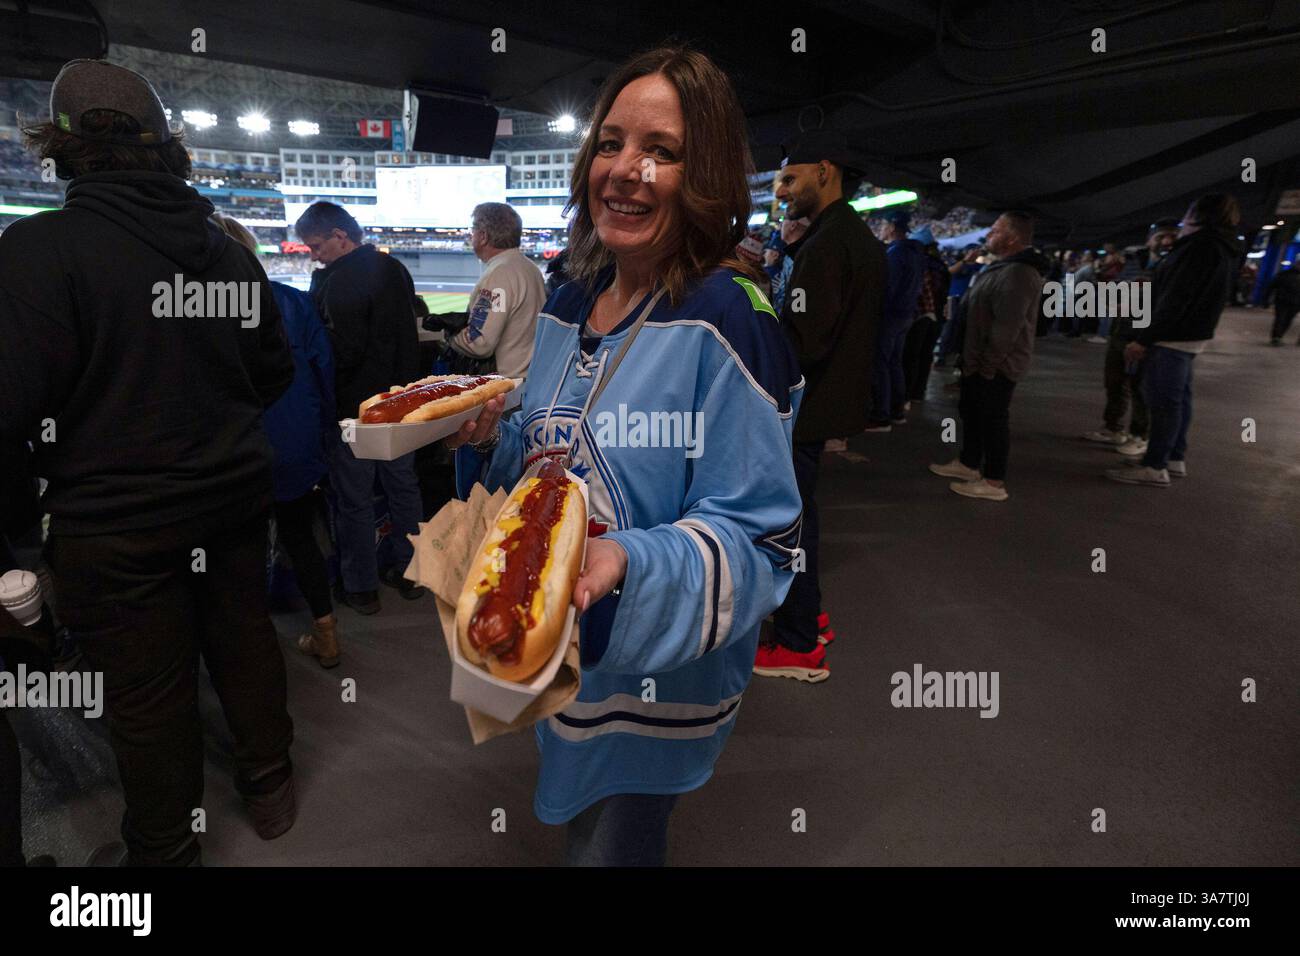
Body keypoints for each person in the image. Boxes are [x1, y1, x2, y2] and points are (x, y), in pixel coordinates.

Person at [446, 46, 803, 865]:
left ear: (705, 172)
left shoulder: (729, 316)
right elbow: (550, 448)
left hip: (652, 670)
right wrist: (490, 436)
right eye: (610, 144)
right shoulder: (570, 297)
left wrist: (625, 561)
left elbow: (761, 540)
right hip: (569, 647)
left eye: (662, 152)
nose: (625, 170)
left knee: (609, 849)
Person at [0, 59, 297, 865]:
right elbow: (273, 372)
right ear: (166, 147)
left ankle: (164, 852)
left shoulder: (37, 251)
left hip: (115, 529)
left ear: (62, 150)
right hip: (234, 501)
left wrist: (19, 544)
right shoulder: (230, 256)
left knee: (146, 694)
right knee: (244, 642)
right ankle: (270, 786)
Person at [756, 130, 883, 678]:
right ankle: (808, 614)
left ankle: (799, 644)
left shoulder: (830, 242)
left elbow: (804, 340)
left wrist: (756, 331)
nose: (782, 191)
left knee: (792, 522)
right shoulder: (840, 233)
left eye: (789, 178)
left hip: (808, 407)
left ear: (824, 171)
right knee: (802, 514)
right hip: (828, 404)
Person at [214, 214, 341, 668]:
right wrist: (320, 431)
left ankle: (249, 653)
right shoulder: (292, 301)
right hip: (293, 443)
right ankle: (327, 633)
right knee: (301, 537)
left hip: (233, 453)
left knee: (236, 554)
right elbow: (324, 372)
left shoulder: (199, 310)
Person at [295, 200, 426, 612]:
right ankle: (410, 573)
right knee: (403, 489)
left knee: (353, 500)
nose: (314, 255)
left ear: (339, 235)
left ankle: (361, 587)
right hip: (399, 403)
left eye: (316, 246)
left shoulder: (334, 283)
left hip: (353, 410)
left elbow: (337, 353)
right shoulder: (394, 268)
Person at [1106, 195, 1242, 487]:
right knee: (1179, 399)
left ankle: (1155, 466)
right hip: (1193, 334)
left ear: (1196, 216)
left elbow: (1175, 299)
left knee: (1164, 402)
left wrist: (1144, 339)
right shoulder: (1222, 247)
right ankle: (1172, 457)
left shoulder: (1198, 248)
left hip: (1173, 336)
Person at [929, 212, 1049, 501]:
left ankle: (994, 482)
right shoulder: (1003, 267)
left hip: (996, 365)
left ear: (1012, 238)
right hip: (979, 360)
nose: (988, 236)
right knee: (972, 413)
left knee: (993, 419)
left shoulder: (1019, 273)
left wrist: (987, 367)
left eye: (994, 231)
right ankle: (969, 464)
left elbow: (1006, 328)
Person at [1082, 219, 1178, 453]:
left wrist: (1149, 288)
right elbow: (1112, 285)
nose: (1165, 242)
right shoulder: (1132, 258)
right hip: (1121, 327)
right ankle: (1112, 428)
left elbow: (1175, 298)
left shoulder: (1176, 263)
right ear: (1150, 239)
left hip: (1148, 331)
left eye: (1171, 237)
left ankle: (1139, 434)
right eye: (1160, 237)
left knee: (1141, 387)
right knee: (1114, 381)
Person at [423, 202, 547, 379]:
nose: (471, 235)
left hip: (506, 388)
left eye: (473, 230)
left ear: (483, 236)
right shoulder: (528, 266)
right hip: (526, 380)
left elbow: (479, 343)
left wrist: (448, 334)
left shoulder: (500, 274)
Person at [865, 209, 926, 431]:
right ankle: (897, 411)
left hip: (890, 316)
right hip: (906, 315)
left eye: (883, 224)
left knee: (880, 363)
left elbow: (886, 289)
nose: (881, 228)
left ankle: (881, 415)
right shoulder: (915, 253)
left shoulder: (895, 254)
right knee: (894, 363)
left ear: (891, 227)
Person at [902, 228, 952, 402]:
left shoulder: (921, 264)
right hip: (936, 317)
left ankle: (907, 394)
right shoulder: (940, 265)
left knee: (911, 356)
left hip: (921, 316)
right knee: (925, 355)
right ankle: (918, 393)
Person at [934, 243, 983, 366]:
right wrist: (965, 260)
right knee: (949, 327)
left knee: (965, 329)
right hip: (953, 299)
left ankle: (958, 356)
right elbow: (950, 272)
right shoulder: (958, 264)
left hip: (971, 301)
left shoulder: (980, 267)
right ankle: (942, 355)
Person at [1266, 260, 1300, 346]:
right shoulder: (1284, 274)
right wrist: (1266, 299)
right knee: (1281, 319)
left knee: (1286, 320)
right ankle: (1276, 337)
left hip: (1293, 302)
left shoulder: (1284, 274)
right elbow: (1272, 286)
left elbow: (1271, 286)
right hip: (1283, 301)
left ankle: (1278, 336)